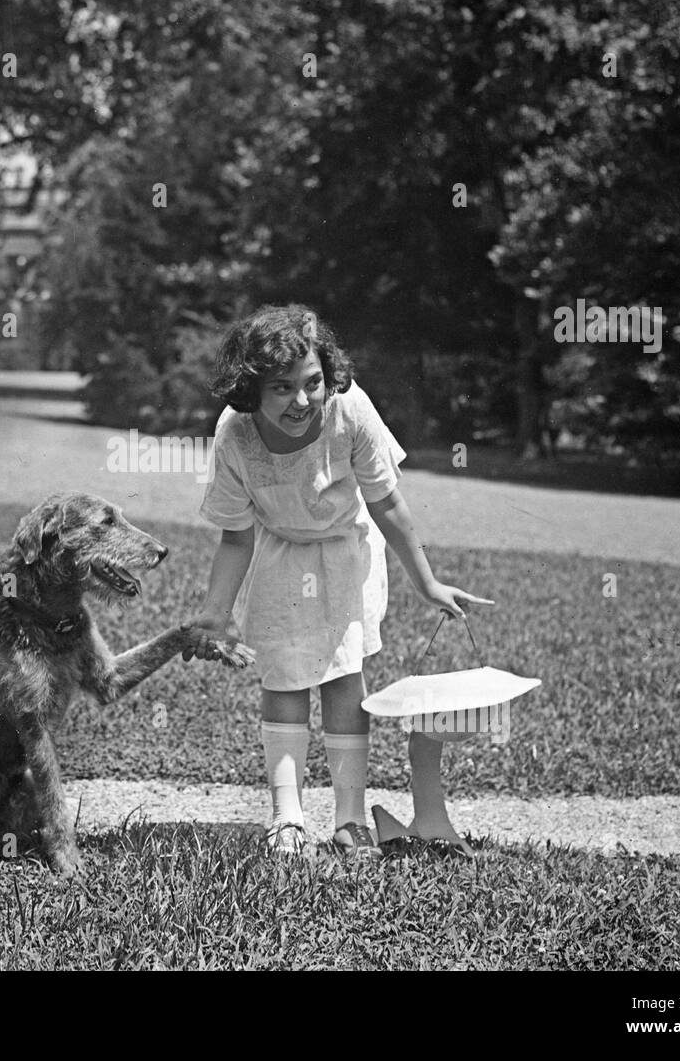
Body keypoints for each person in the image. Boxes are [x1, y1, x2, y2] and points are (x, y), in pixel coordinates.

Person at [185, 304, 492, 857]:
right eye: (281, 388)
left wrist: (427, 583)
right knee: (283, 679)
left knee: (343, 678)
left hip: (346, 552)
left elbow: (388, 504)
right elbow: (236, 538)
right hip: (281, 556)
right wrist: (214, 613)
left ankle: (350, 820)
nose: (301, 401)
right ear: (250, 390)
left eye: (312, 382)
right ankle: (288, 820)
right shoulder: (235, 437)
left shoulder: (349, 412)